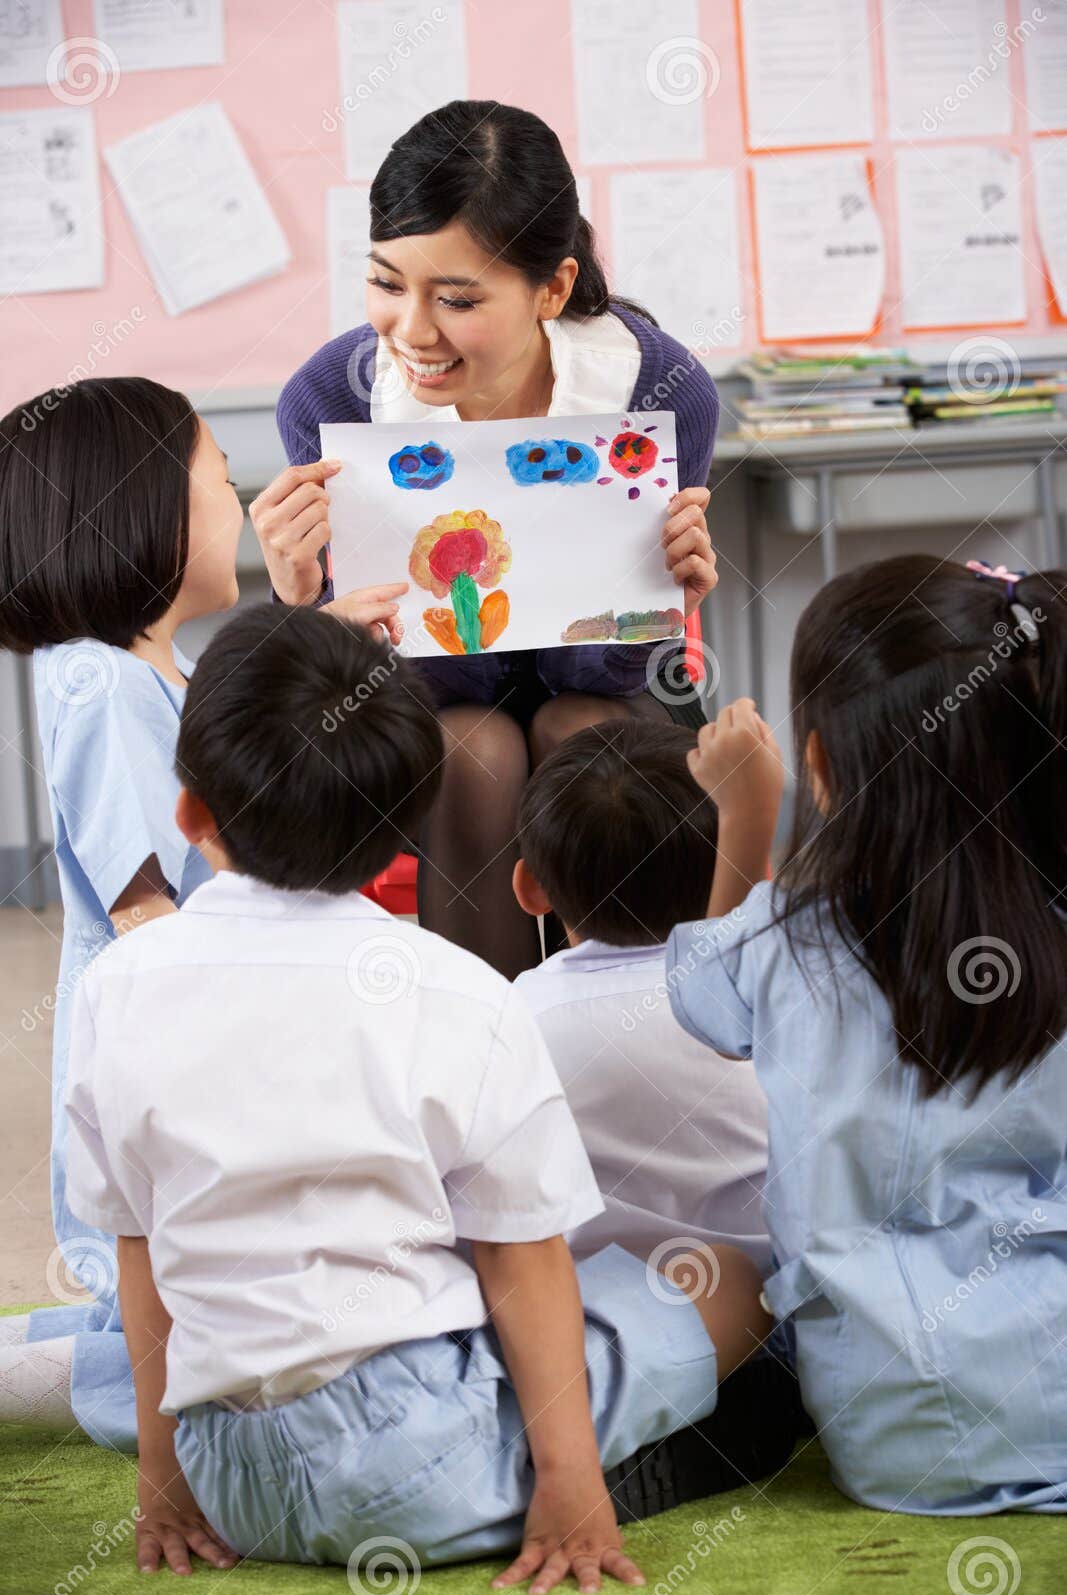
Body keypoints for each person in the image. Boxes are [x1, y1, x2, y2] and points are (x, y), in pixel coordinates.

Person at [62, 605, 772, 1587]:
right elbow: (521, 1262)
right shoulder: (458, 993)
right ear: (405, 833)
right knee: (722, 1282)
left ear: (190, 815)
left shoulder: (117, 987)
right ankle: (560, 1475)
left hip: (224, 1471)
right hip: (418, 1460)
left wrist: (164, 1474)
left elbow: (138, 1246)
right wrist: (570, 1484)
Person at [0, 377, 405, 1446]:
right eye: (219, 482)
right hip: (163, 1039)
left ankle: (71, 1350)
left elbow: (232, 756)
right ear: (141, 509)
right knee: (182, 1339)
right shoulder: (102, 686)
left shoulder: (142, 672)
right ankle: (61, 1376)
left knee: (182, 1292)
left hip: (186, 1027)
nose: (238, 501)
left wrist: (310, 632)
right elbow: (148, 909)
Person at [255, 100, 720, 977]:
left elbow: (603, 677)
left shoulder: (659, 388)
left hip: (605, 694)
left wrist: (657, 601)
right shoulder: (331, 399)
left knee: (583, 730)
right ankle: (489, 1055)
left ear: (552, 287)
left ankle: (634, 1043)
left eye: (458, 298)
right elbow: (384, 683)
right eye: (387, 283)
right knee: (475, 748)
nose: (413, 335)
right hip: (417, 704)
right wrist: (305, 604)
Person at [668, 557, 1067, 1514]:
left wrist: (744, 819)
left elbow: (699, 1001)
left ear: (816, 765)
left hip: (894, 1439)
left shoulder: (780, 940)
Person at [512, 718, 770, 1271]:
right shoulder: (779, 1006)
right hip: (779, 1307)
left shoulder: (512, 1025)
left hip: (593, 1324)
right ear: (745, 868)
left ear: (530, 888)